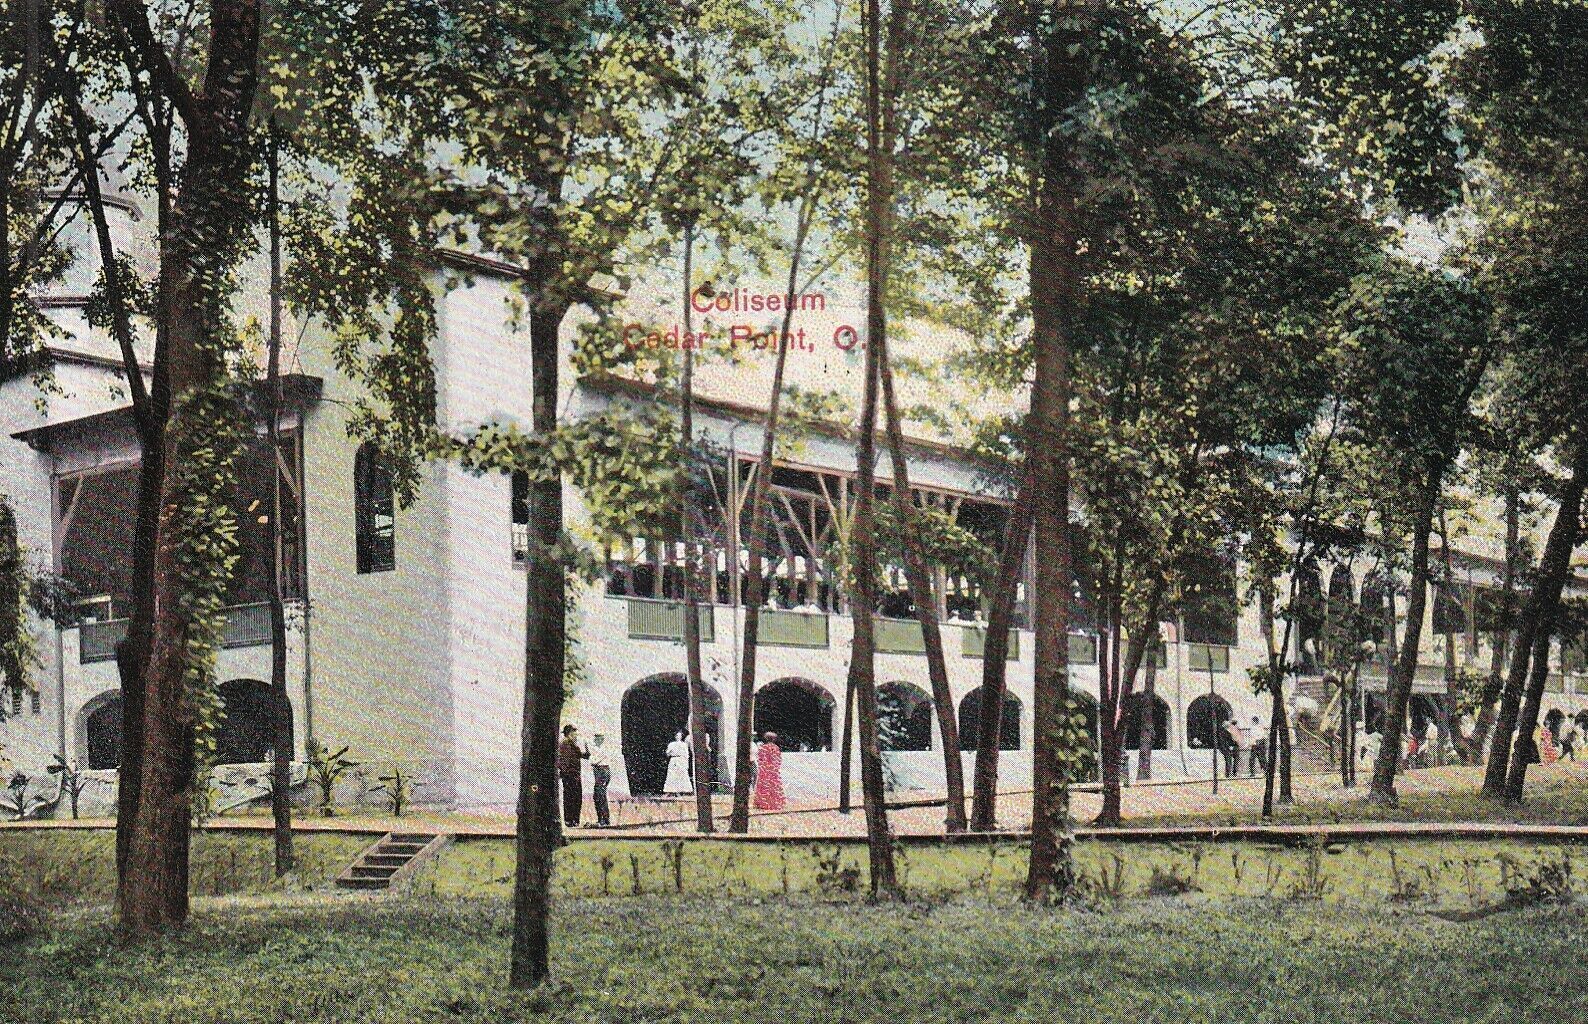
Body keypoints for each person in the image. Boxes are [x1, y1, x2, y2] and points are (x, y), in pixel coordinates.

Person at [556, 724, 588, 828]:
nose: (576, 735)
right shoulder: (565, 743)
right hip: (570, 775)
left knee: (574, 797)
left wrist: (587, 750)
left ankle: (573, 820)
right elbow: (562, 760)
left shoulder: (573, 744)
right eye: (574, 733)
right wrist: (564, 773)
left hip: (574, 775)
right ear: (570, 733)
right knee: (571, 797)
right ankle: (570, 820)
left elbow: (583, 755)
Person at [753, 731, 785, 811]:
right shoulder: (775, 748)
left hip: (765, 771)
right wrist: (775, 768)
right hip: (773, 771)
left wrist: (763, 768)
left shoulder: (763, 748)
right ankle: (775, 803)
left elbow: (760, 759)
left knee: (764, 787)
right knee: (774, 787)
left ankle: (763, 803)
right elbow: (778, 760)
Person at [589, 733, 612, 827]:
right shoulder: (600, 749)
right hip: (602, 771)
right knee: (599, 795)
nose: (595, 740)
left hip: (602, 771)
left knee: (599, 795)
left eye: (597, 738)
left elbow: (593, 761)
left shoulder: (602, 749)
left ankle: (603, 819)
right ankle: (604, 818)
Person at [663, 730, 692, 795]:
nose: (678, 737)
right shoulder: (671, 744)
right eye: (677, 736)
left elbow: (686, 754)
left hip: (681, 760)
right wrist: (671, 752)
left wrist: (685, 763)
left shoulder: (684, 745)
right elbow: (667, 753)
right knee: (672, 775)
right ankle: (670, 790)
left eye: (679, 736)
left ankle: (682, 790)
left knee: (681, 774)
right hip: (674, 760)